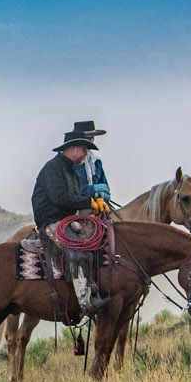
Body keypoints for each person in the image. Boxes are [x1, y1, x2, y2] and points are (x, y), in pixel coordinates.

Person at [30, 120, 113, 312]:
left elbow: (77, 196)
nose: (86, 153)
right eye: (84, 148)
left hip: (67, 219)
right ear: (73, 148)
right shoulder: (53, 168)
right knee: (76, 247)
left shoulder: (72, 170)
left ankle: (92, 288)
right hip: (50, 221)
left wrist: (94, 203)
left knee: (95, 238)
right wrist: (88, 202)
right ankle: (85, 302)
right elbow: (60, 197)